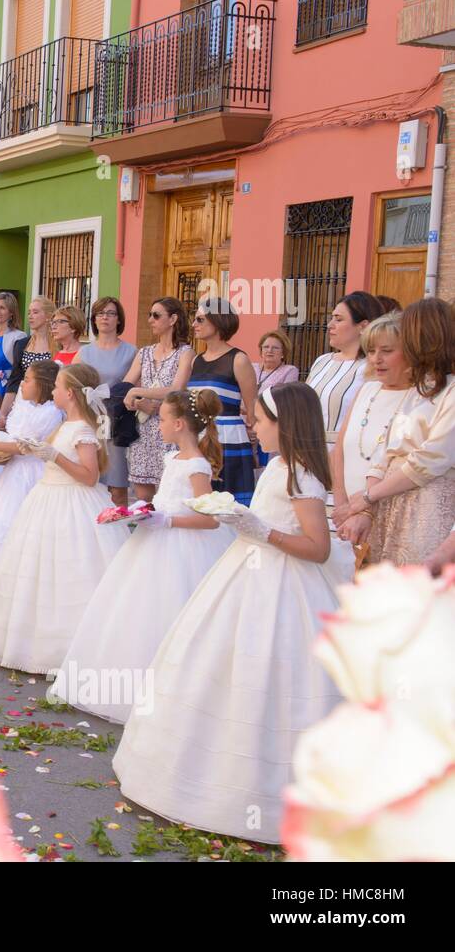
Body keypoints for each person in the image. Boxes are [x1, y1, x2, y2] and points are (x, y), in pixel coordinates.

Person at [112, 382, 354, 844]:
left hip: (285, 586)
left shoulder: (301, 474)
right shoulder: (279, 466)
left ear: (285, 425)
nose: (251, 425)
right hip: (245, 572)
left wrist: (261, 531)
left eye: (260, 420)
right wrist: (242, 521)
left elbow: (318, 548)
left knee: (272, 678)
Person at [53, 388, 232, 723]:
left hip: (182, 547)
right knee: (136, 611)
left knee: (169, 614)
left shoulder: (196, 465)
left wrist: (167, 520)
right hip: (155, 541)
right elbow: (165, 499)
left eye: (162, 419)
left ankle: (170, 694)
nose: (158, 425)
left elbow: (210, 520)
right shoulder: (172, 458)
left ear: (179, 424)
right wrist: (143, 510)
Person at [0, 363, 129, 672]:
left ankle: (66, 647)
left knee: (69, 571)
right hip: (46, 496)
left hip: (71, 501)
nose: (52, 390)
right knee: (34, 567)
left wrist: (54, 456)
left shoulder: (82, 429)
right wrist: (22, 447)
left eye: (56, 386)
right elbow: (39, 448)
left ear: (69, 393)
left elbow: (89, 476)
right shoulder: (65, 424)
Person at [337, 298, 455, 566]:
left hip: (425, 506)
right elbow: (385, 450)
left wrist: (369, 497)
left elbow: (432, 458)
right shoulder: (421, 390)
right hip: (392, 506)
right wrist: (367, 504)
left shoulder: (451, 391)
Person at [0, 359, 64, 613]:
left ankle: (16, 602)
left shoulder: (50, 413)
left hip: (33, 472)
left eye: (28, 380)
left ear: (42, 385)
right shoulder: (26, 408)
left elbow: (27, 446)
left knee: (19, 530)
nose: (22, 383)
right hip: (15, 473)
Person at [188, 297, 258, 505]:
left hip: (230, 441)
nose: (194, 325)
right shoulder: (196, 361)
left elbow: (252, 409)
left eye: (200, 320)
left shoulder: (238, 360)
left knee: (227, 506)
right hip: (198, 438)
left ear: (217, 321)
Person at [124, 297, 195, 502]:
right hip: (142, 431)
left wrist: (140, 392)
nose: (150, 320)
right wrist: (137, 401)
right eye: (150, 315)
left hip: (170, 429)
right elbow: (127, 386)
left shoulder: (185, 353)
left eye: (156, 315)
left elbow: (176, 390)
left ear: (173, 319)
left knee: (170, 492)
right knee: (142, 494)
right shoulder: (144, 353)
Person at [306, 292, 383, 466]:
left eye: (339, 319)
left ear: (363, 326)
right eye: (331, 318)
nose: (330, 325)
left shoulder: (371, 368)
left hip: (345, 459)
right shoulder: (322, 361)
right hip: (307, 452)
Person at [76, 296, 136, 506]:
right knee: (92, 482)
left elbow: (136, 386)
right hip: (91, 420)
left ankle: (118, 530)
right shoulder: (85, 352)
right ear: (94, 319)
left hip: (118, 421)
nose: (105, 318)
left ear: (119, 320)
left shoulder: (131, 352)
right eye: (100, 313)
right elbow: (73, 385)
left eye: (111, 313)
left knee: (118, 485)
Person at [0, 296, 56, 426]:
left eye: (35, 312)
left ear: (48, 316)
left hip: (50, 405)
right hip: (24, 402)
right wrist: (3, 413)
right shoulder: (22, 344)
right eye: (29, 312)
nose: (30, 316)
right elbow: (14, 380)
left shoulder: (58, 345)